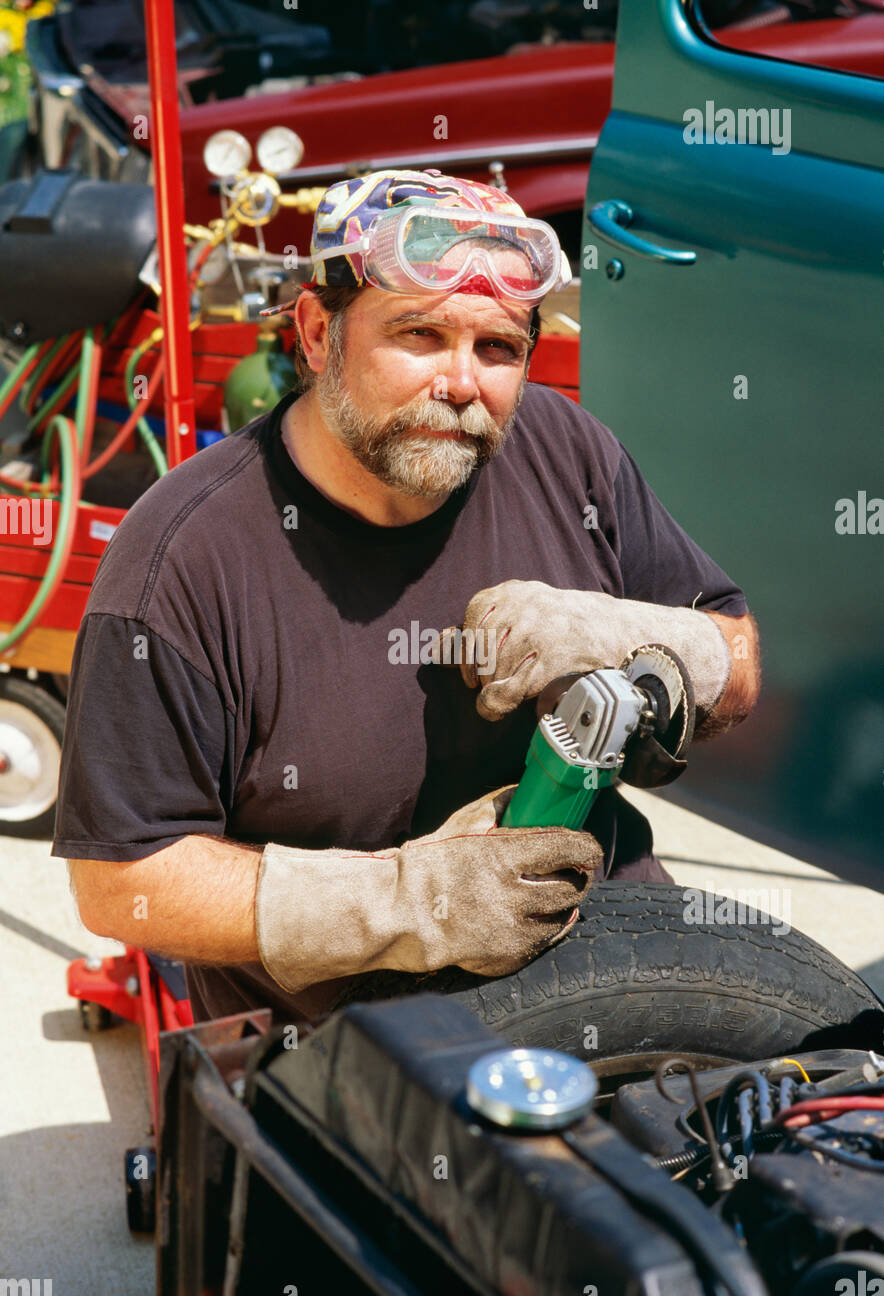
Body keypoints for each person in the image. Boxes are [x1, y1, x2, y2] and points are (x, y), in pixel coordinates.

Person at [52, 169, 760, 1026]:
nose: (461, 382)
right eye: (419, 334)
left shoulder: (567, 452)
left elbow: (739, 653)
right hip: (357, 1039)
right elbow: (122, 882)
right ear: (317, 332)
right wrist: (406, 903)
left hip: (612, 950)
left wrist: (621, 631)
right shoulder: (183, 561)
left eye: (497, 348)